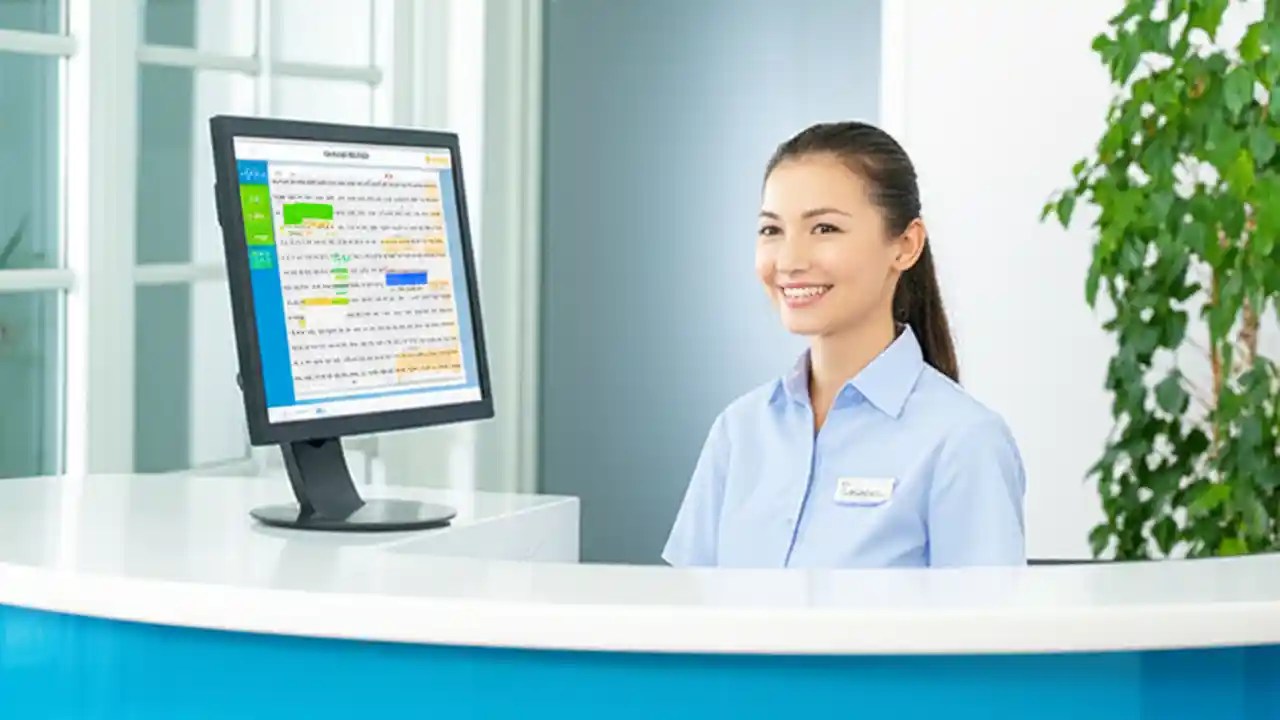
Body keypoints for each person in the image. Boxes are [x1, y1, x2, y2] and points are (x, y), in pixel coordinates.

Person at [662, 121, 1027, 569]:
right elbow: (687, 619)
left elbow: (983, 634)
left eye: (825, 229)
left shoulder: (964, 442)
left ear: (905, 246)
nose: (790, 261)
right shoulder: (738, 434)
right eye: (771, 230)